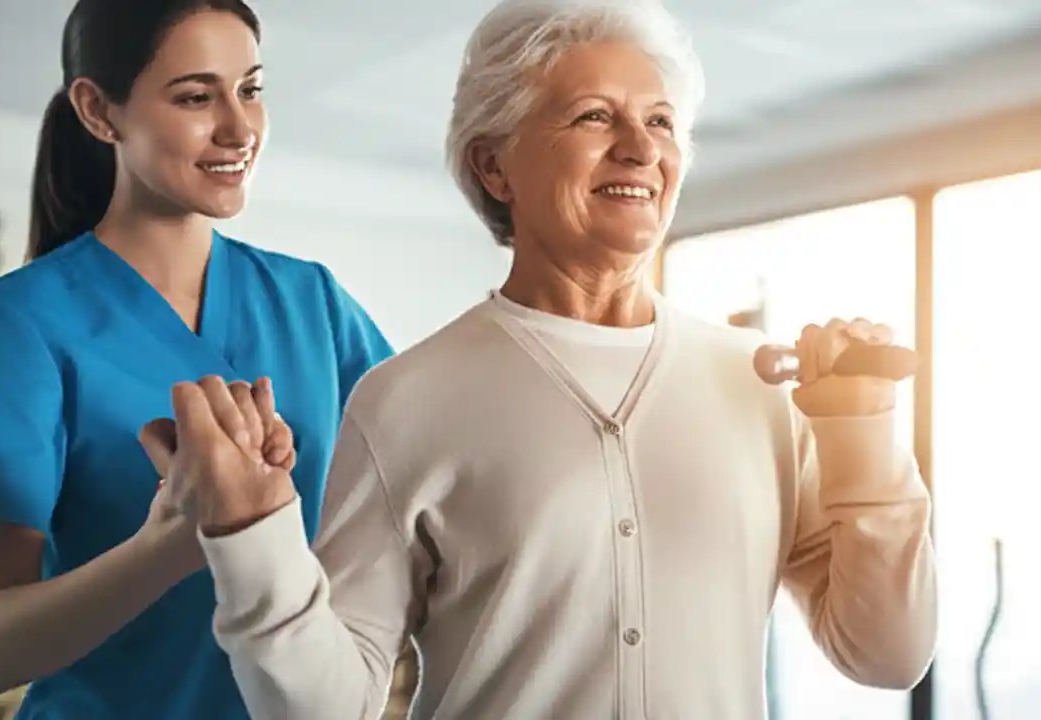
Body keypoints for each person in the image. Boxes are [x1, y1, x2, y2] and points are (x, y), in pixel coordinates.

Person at [154, 1, 937, 718]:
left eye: (661, 122)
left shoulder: (757, 385)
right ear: (494, 166)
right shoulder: (405, 400)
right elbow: (327, 707)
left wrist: (862, 431)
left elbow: (888, 655)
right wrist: (252, 533)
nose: (641, 148)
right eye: (595, 116)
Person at [0, 1, 391, 718]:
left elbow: (433, 494)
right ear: (99, 111)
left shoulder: (312, 300)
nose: (239, 128)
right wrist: (170, 544)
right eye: (195, 97)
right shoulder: (18, 323)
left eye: (250, 89)